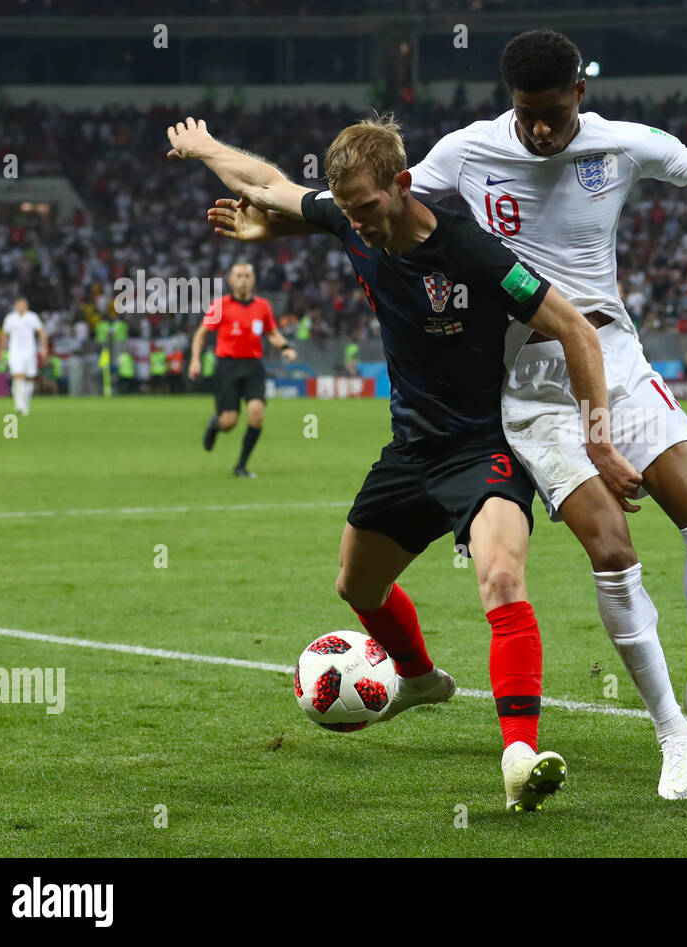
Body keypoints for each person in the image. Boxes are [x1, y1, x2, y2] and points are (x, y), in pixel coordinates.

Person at [207, 30, 687, 798]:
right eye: (525, 114)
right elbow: (368, 207)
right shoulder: (465, 152)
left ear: (580, 94)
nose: (537, 130)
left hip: (615, 357)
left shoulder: (622, 144)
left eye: (551, 113)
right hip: (530, 385)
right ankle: (671, 729)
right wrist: (266, 210)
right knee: (611, 544)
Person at [169, 113, 634, 812]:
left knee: (502, 577)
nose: (353, 222)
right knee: (358, 584)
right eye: (344, 209)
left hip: (484, 448)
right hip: (410, 448)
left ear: (401, 183)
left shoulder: (473, 253)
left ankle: (518, 755)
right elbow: (267, 185)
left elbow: (573, 328)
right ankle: (418, 677)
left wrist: (598, 436)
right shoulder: (351, 218)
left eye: (363, 207)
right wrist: (205, 149)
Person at [187, 262, 298, 477]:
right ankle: (214, 425)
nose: (243, 280)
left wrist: (285, 347)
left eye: (247, 275)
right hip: (227, 366)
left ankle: (241, 466)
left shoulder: (263, 306)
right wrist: (195, 360)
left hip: (253, 366)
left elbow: (272, 332)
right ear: (231, 280)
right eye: (239, 276)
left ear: (253, 280)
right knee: (229, 422)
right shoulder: (220, 305)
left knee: (256, 415)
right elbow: (201, 334)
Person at [0, 296, 47, 416]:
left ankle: (25, 403)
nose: (21, 306)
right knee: (18, 375)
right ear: (15, 305)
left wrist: (44, 348)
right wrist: (0, 350)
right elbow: (4, 335)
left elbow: (41, 333)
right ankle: (19, 403)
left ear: (27, 305)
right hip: (15, 351)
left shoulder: (32, 317)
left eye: (23, 304)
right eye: (19, 304)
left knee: (29, 377)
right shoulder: (10, 318)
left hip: (30, 351)